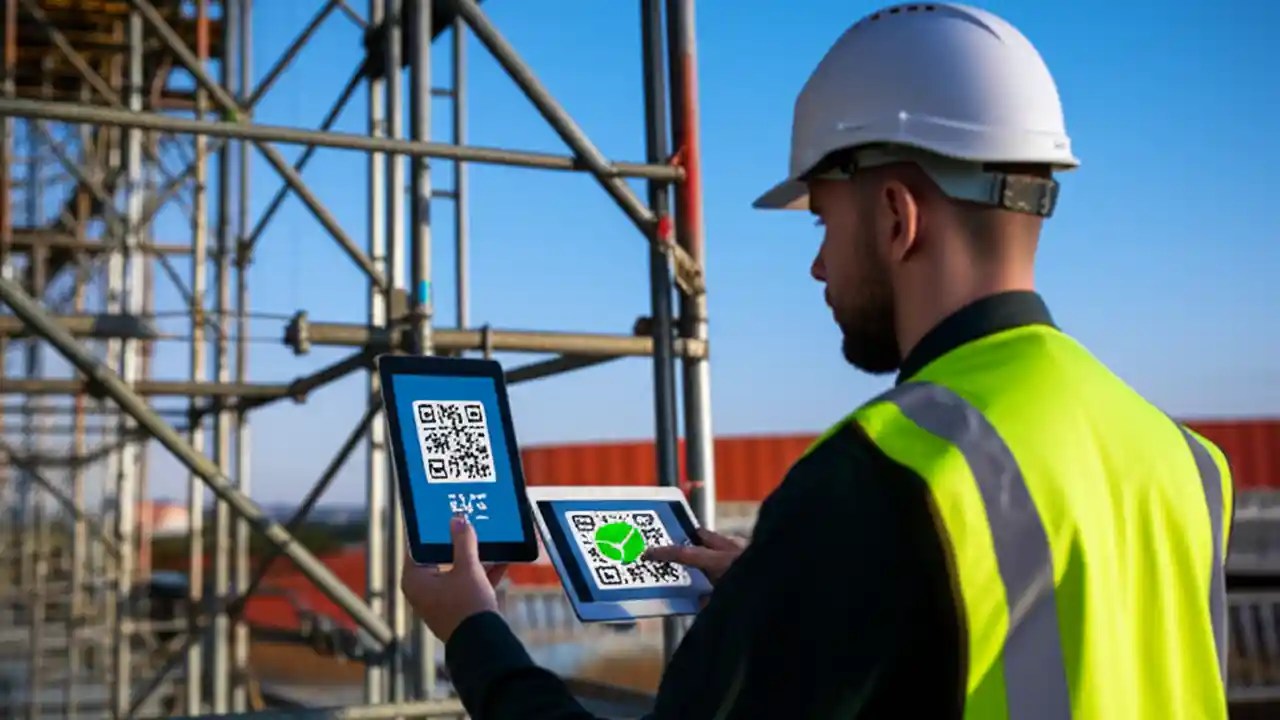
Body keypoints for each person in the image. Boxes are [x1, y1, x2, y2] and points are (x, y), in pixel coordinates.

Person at [401, 3, 1234, 718]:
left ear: (897, 216)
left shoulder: (884, 472)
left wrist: (473, 631)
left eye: (822, 224)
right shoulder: (1187, 461)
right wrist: (789, 596)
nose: (819, 266)